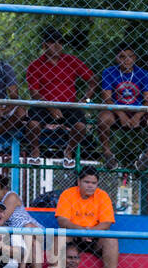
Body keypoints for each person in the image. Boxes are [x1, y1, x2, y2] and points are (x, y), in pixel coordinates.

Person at [24, 27, 96, 168]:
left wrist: (85, 100)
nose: (57, 46)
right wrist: (51, 107)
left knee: (81, 126)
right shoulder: (35, 65)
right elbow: (34, 93)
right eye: (52, 42)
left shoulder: (71, 61)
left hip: (69, 105)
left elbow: (93, 80)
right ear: (45, 45)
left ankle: (68, 152)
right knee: (32, 124)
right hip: (43, 105)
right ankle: (35, 152)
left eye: (60, 42)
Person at [98, 44, 148, 171]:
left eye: (130, 56)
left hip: (138, 110)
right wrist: (121, 115)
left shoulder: (143, 73)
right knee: (103, 117)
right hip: (116, 111)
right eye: (122, 56)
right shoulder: (109, 72)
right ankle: (108, 154)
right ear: (116, 58)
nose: (126, 60)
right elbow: (107, 99)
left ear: (135, 58)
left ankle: (147, 157)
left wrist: (138, 116)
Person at [0, 169, 49, 268]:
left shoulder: (11, 196)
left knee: (28, 230)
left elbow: (1, 220)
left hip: (32, 231)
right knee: (30, 241)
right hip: (17, 237)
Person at [54, 167, 118, 268]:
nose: (90, 185)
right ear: (79, 182)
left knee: (111, 240)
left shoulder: (103, 196)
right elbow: (62, 220)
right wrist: (81, 231)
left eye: (94, 183)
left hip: (94, 237)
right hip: (74, 236)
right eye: (86, 182)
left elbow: (106, 223)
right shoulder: (68, 194)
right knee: (58, 237)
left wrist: (89, 232)